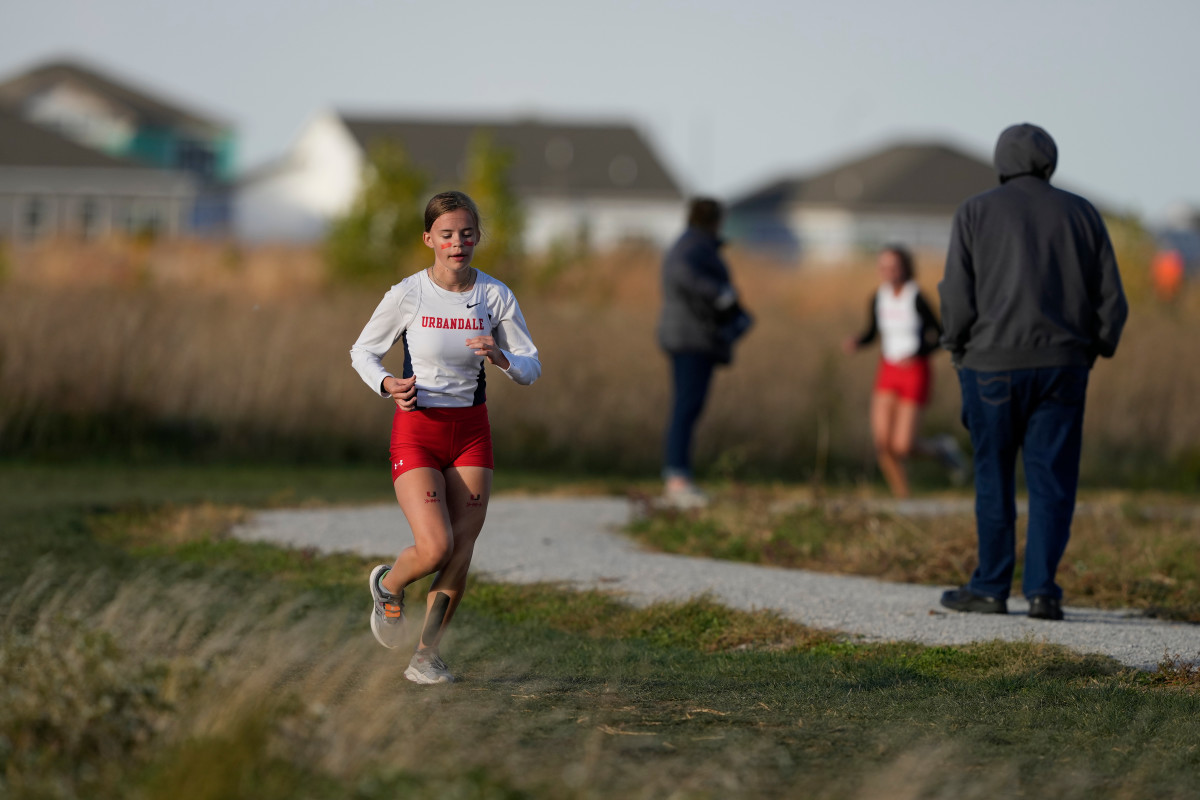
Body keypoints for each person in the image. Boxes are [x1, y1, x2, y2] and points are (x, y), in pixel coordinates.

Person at [938, 123, 1128, 621]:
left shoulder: (975, 211)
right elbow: (1112, 300)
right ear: (1050, 162)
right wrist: (1095, 347)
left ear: (1002, 162)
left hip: (991, 367)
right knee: (1052, 480)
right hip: (1064, 366)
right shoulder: (1082, 212)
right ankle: (1043, 591)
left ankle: (991, 587)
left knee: (993, 475)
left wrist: (956, 345)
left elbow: (957, 296)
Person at [350, 190, 541, 683]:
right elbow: (362, 352)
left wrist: (500, 358)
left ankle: (425, 656)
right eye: (448, 235)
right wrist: (388, 384)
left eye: (467, 234)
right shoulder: (408, 293)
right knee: (434, 547)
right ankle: (389, 586)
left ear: (478, 237)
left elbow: (531, 364)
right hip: (417, 430)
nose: (459, 243)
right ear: (429, 239)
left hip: (471, 432)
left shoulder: (495, 295)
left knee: (461, 550)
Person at [843, 244, 965, 497]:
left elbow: (941, 335)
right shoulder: (879, 297)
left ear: (905, 268)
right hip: (888, 370)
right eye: (884, 267)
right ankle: (903, 498)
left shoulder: (916, 296)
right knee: (882, 444)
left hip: (915, 371)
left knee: (902, 445)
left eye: (893, 266)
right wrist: (858, 342)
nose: (888, 272)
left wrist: (917, 353)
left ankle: (940, 449)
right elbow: (872, 332)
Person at [656, 197, 750, 509]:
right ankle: (678, 478)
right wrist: (721, 295)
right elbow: (683, 274)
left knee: (688, 407)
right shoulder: (693, 247)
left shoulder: (689, 243)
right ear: (715, 220)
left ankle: (678, 474)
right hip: (691, 338)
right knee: (687, 407)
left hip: (689, 336)